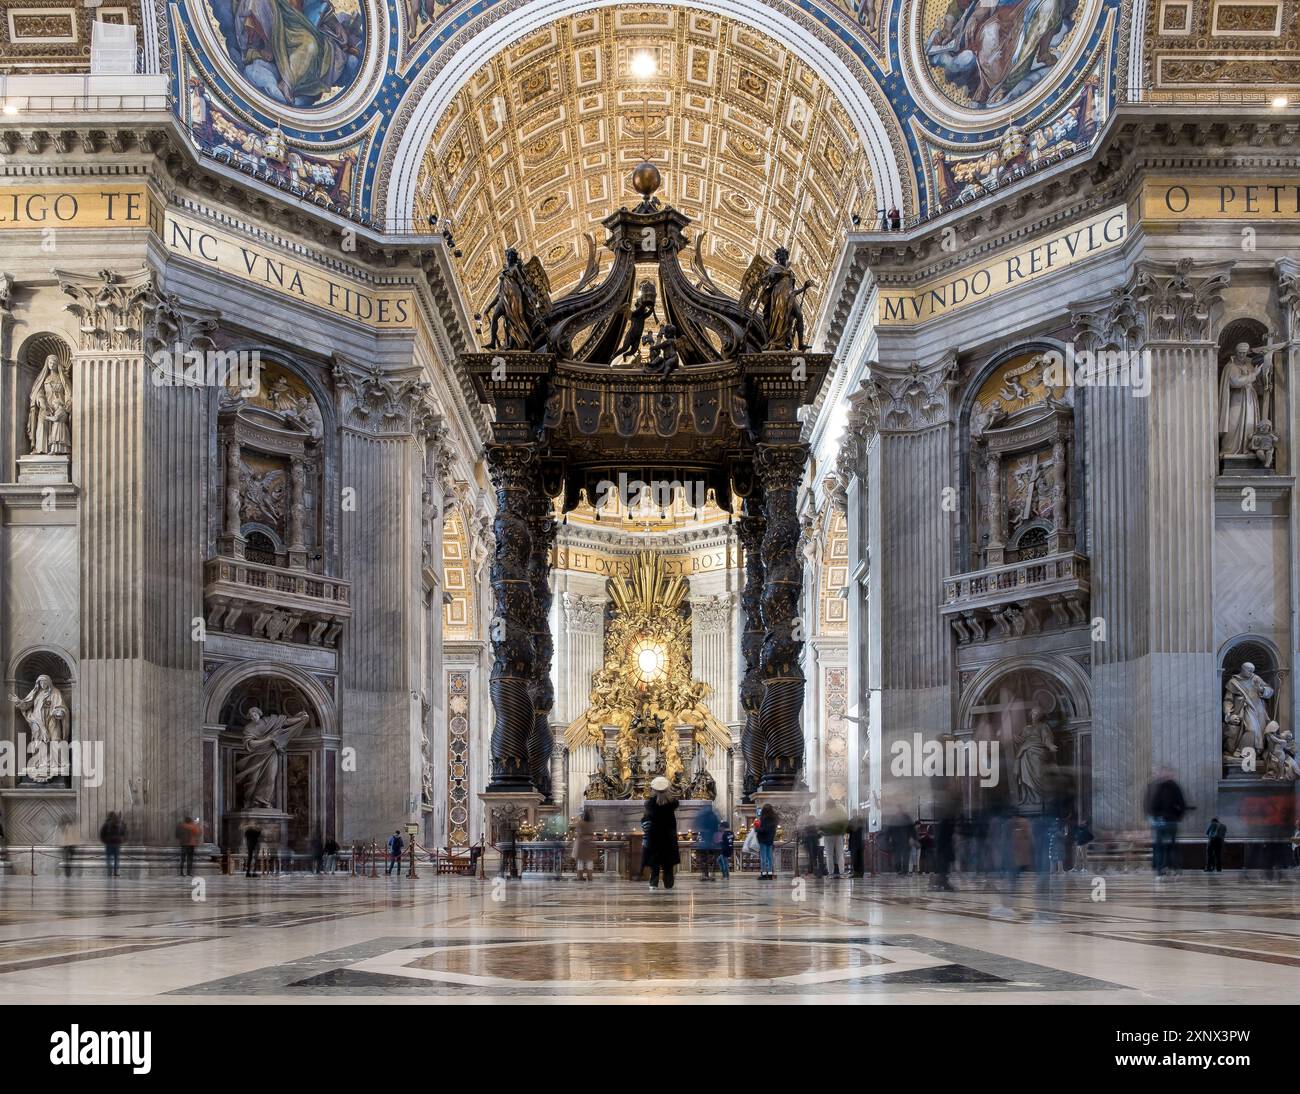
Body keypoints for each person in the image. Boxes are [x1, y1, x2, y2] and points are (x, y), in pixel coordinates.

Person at [1144, 769, 1188, 878]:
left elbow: (1153, 806)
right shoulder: (1176, 787)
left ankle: (1160, 871)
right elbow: (1182, 805)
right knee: (1172, 847)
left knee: (1160, 848)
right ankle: (1176, 870)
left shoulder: (1159, 787)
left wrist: (1156, 817)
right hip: (1172, 822)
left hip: (1161, 822)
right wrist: (1177, 817)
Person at [643, 776, 680, 890]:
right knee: (668, 863)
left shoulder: (650, 804)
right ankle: (669, 882)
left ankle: (653, 882)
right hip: (668, 838)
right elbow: (675, 801)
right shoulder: (672, 803)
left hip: (655, 838)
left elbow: (646, 819)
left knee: (655, 863)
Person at [820, 800, 849, 878]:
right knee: (840, 854)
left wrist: (823, 832)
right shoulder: (839, 812)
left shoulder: (824, 813)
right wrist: (843, 831)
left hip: (828, 835)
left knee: (829, 855)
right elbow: (845, 821)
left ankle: (831, 873)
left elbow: (820, 825)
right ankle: (842, 872)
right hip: (838, 834)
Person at [695, 802, 719, 881]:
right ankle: (712, 874)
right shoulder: (714, 816)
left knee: (703, 859)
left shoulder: (702, 816)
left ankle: (705, 874)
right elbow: (717, 828)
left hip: (704, 843)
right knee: (713, 859)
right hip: (713, 842)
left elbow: (698, 826)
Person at [572, 809, 597, 882]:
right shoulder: (592, 823)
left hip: (581, 843)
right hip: (590, 843)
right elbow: (593, 833)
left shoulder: (580, 823)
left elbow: (578, 832)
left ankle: (580, 876)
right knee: (589, 860)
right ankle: (590, 876)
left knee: (580, 860)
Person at [99, 812, 126, 878]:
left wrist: (105, 841)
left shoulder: (106, 824)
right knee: (116, 859)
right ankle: (115, 872)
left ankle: (109, 872)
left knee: (109, 859)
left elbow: (102, 834)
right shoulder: (118, 824)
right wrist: (120, 840)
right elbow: (122, 833)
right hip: (116, 844)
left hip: (109, 844)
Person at [756, 803, 778, 880]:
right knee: (770, 858)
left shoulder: (764, 819)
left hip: (763, 839)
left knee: (763, 858)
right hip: (770, 840)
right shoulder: (774, 819)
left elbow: (764, 829)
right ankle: (770, 873)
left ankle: (764, 874)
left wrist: (756, 829)